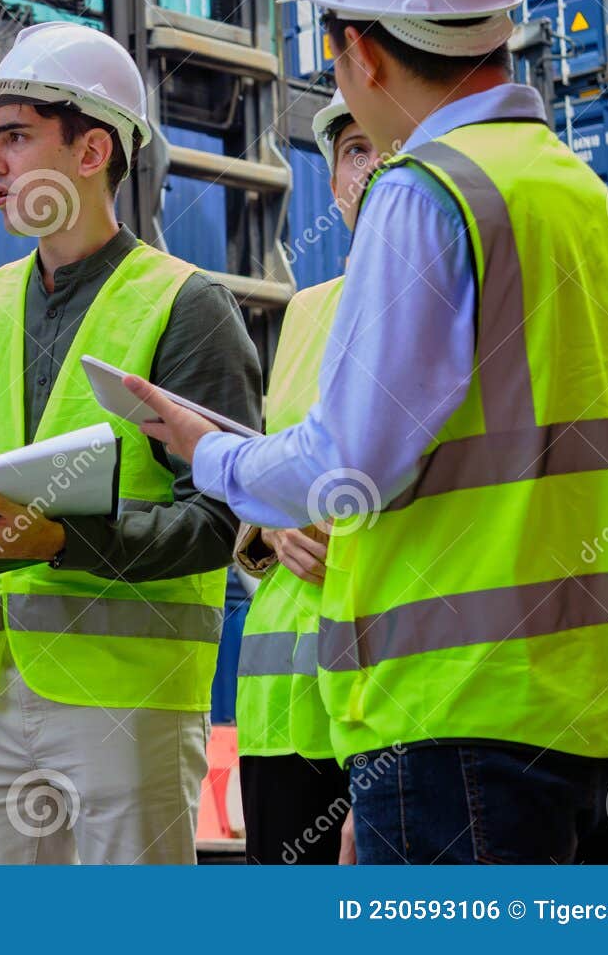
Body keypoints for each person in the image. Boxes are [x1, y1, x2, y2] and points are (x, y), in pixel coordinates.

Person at [124, 0, 608, 864]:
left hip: (471, 711)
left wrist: (207, 449)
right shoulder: (585, 196)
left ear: (361, 49)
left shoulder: (431, 190)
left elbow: (348, 461)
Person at [0, 21, 262, 864]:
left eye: (14, 138)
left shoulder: (186, 306)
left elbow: (222, 523)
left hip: (129, 705)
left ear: (92, 151)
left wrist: (61, 538)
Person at [234, 92, 377, 864]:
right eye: (354, 151)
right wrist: (271, 528)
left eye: (388, 144)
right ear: (333, 183)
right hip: (280, 702)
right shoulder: (305, 310)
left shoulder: (460, 295)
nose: (374, 165)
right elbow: (271, 465)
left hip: (393, 702)